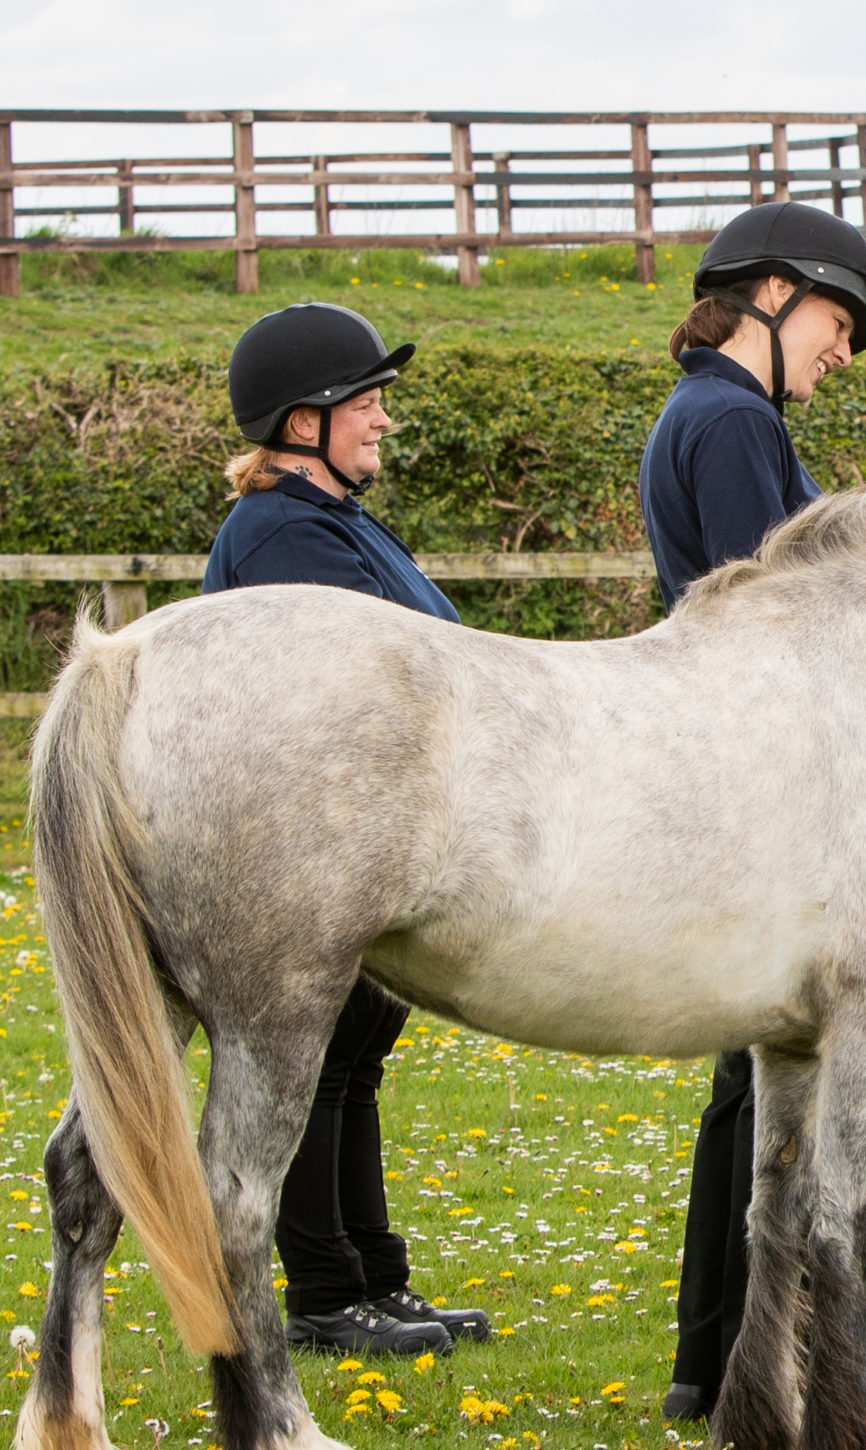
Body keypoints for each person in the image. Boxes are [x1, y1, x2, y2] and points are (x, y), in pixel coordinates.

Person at [637, 202, 866, 1426]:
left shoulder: (710, 415)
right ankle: (754, 1354)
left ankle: (719, 1355)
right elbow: (780, 618)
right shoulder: (735, 423)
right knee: (769, 1089)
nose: (845, 349)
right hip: (765, 783)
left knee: (745, 1088)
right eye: (838, 320)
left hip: (737, 773)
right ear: (767, 295)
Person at [203, 301, 493, 1358]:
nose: (382, 420)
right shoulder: (283, 534)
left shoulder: (335, 521)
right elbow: (345, 696)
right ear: (300, 421)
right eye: (362, 401)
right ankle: (327, 1295)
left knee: (355, 1050)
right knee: (319, 1053)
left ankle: (376, 1276)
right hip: (317, 840)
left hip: (374, 835)